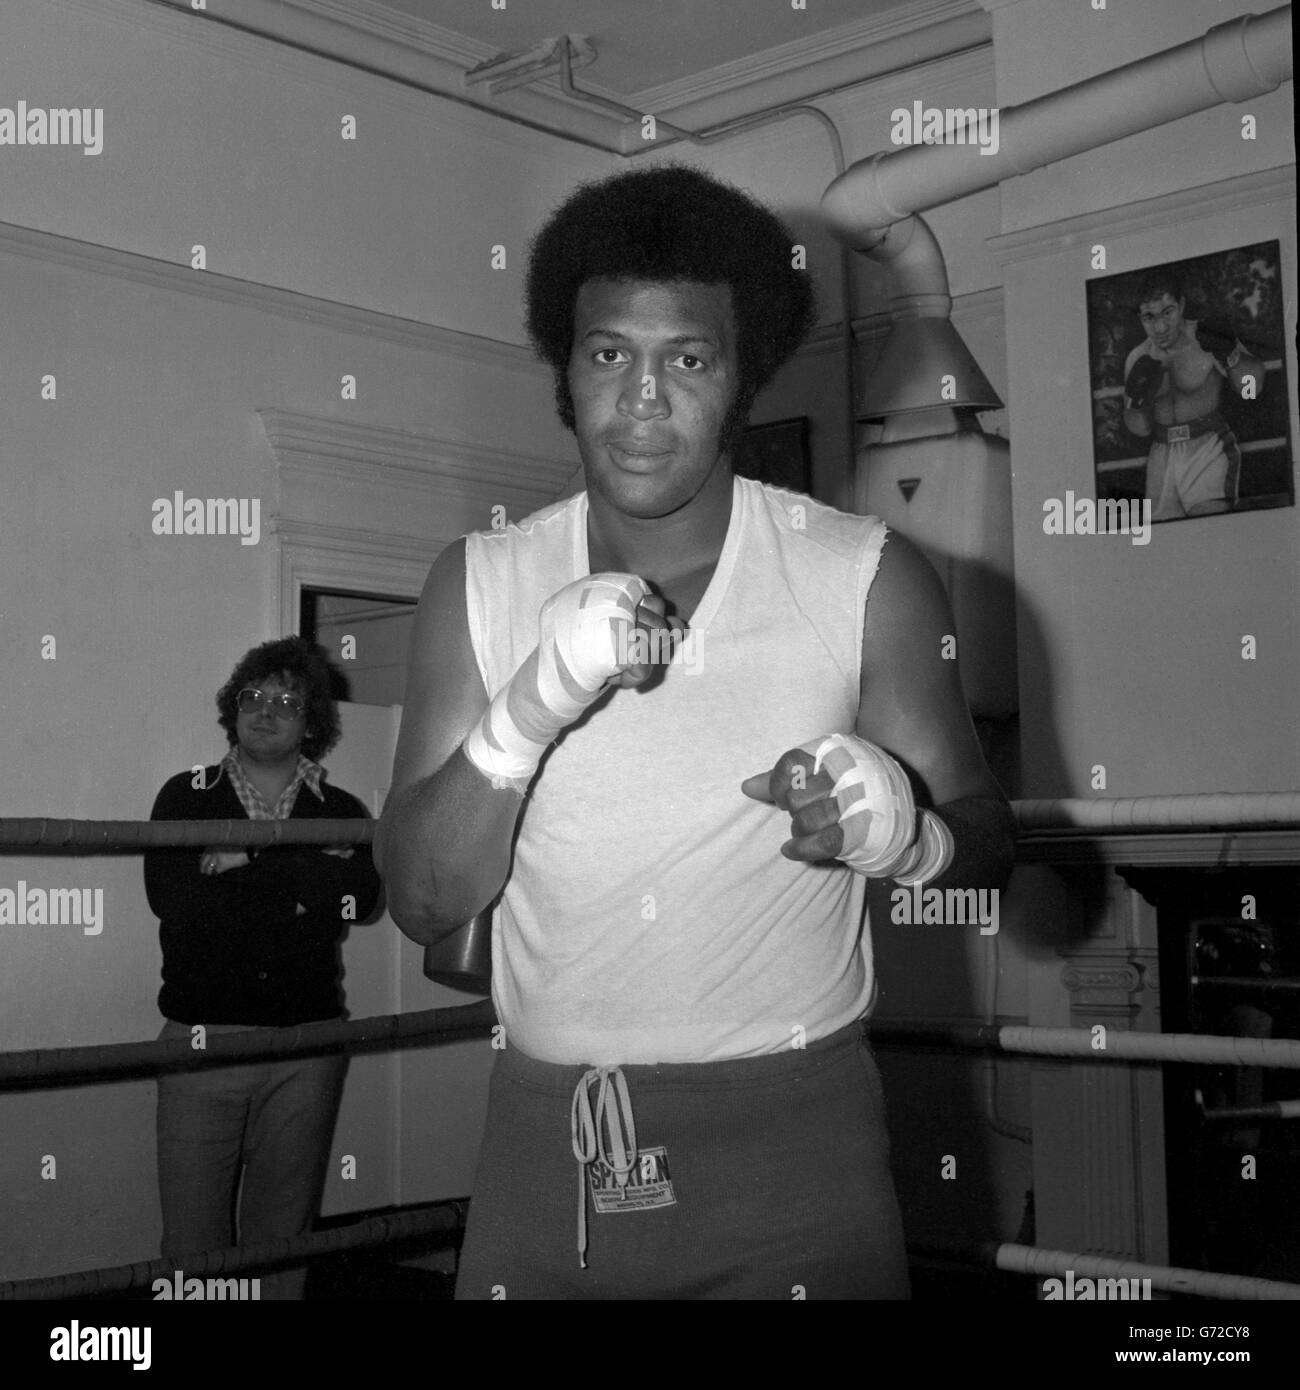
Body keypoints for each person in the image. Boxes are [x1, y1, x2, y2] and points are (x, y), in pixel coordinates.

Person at [376, 165, 1017, 1300]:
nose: (641, 398)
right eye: (608, 352)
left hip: (794, 1154)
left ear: (743, 378)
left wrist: (905, 834)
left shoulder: (861, 576)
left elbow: (988, 836)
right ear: (564, 372)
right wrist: (525, 714)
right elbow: (424, 900)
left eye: (688, 357)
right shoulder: (476, 582)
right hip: (548, 1146)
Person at [145, 636, 380, 1299]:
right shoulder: (186, 796)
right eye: (253, 697)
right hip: (202, 1041)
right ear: (232, 709)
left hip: (307, 1043)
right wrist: (307, 873)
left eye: (287, 700)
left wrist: (248, 860)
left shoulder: (343, 812)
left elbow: (356, 901)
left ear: (313, 722)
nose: (266, 711)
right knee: (192, 1244)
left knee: (282, 1239)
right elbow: (178, 902)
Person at [1122, 272, 1264, 520]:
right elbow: (1141, 428)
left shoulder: (1205, 335)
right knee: (1167, 544)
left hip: (1208, 447)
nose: (1160, 327)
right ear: (1140, 318)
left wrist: (1231, 354)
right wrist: (1136, 399)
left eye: (1168, 312)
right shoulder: (1138, 357)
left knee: (1209, 531)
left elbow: (1252, 390)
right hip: (1161, 455)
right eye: (1149, 317)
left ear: (1182, 306)